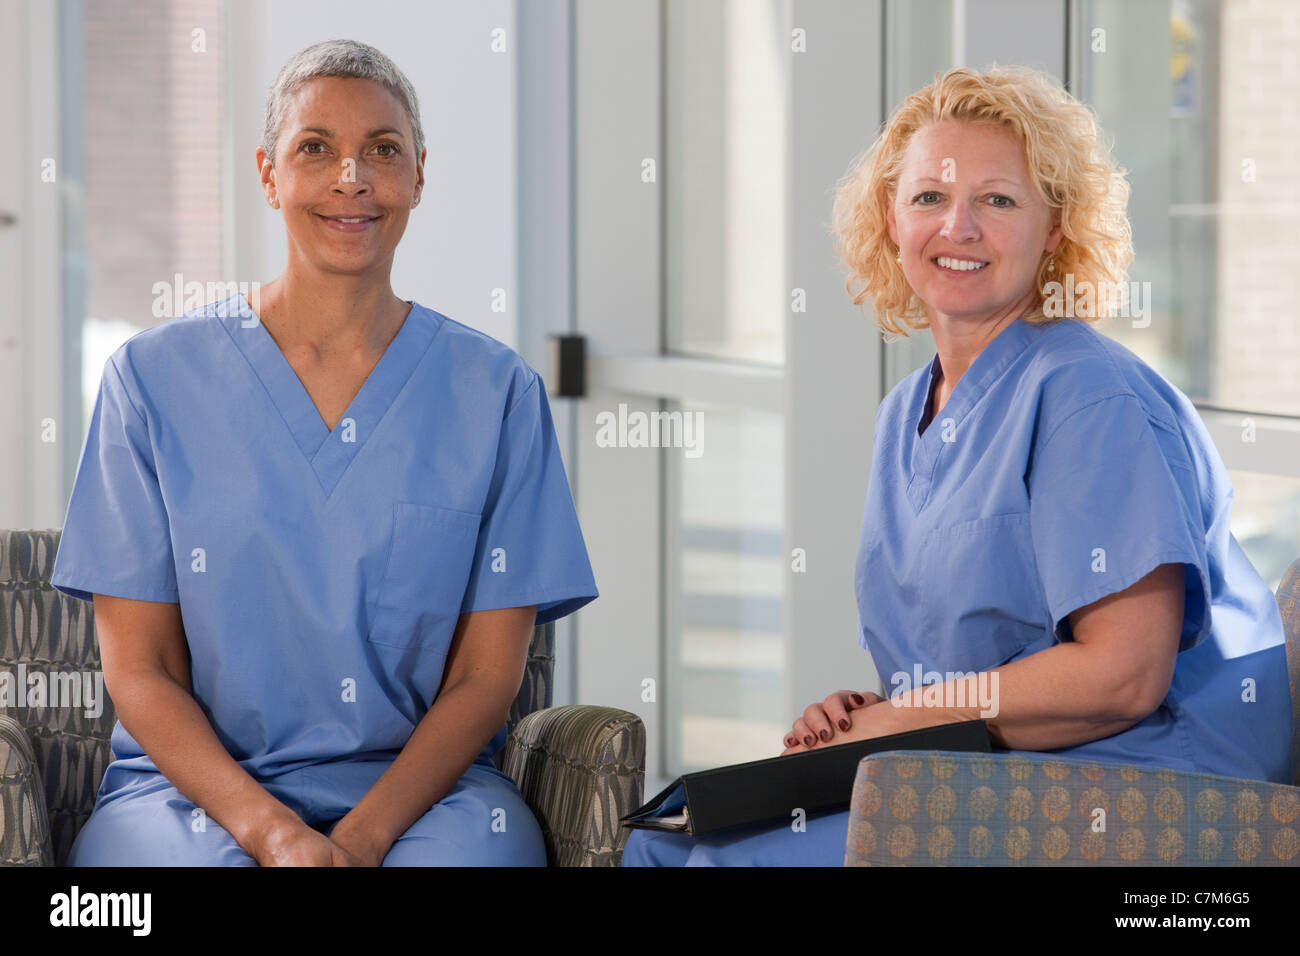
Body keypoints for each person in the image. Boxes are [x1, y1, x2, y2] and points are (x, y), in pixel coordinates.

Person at [622, 64, 1292, 867]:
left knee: (727, 864)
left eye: (999, 200)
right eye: (930, 197)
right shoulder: (909, 408)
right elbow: (982, 669)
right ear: (892, 219)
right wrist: (871, 715)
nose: (959, 228)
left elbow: (1122, 678)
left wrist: (906, 722)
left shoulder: (1089, 396)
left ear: (1055, 227)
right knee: (665, 847)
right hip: (997, 772)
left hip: (1152, 795)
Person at [51, 39, 597, 866]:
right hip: (190, 798)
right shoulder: (152, 381)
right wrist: (270, 832)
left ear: (419, 174)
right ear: (269, 174)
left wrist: (369, 835)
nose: (353, 177)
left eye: (383, 150)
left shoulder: (496, 394)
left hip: (425, 801)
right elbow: (141, 669)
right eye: (317, 149)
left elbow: (487, 679)